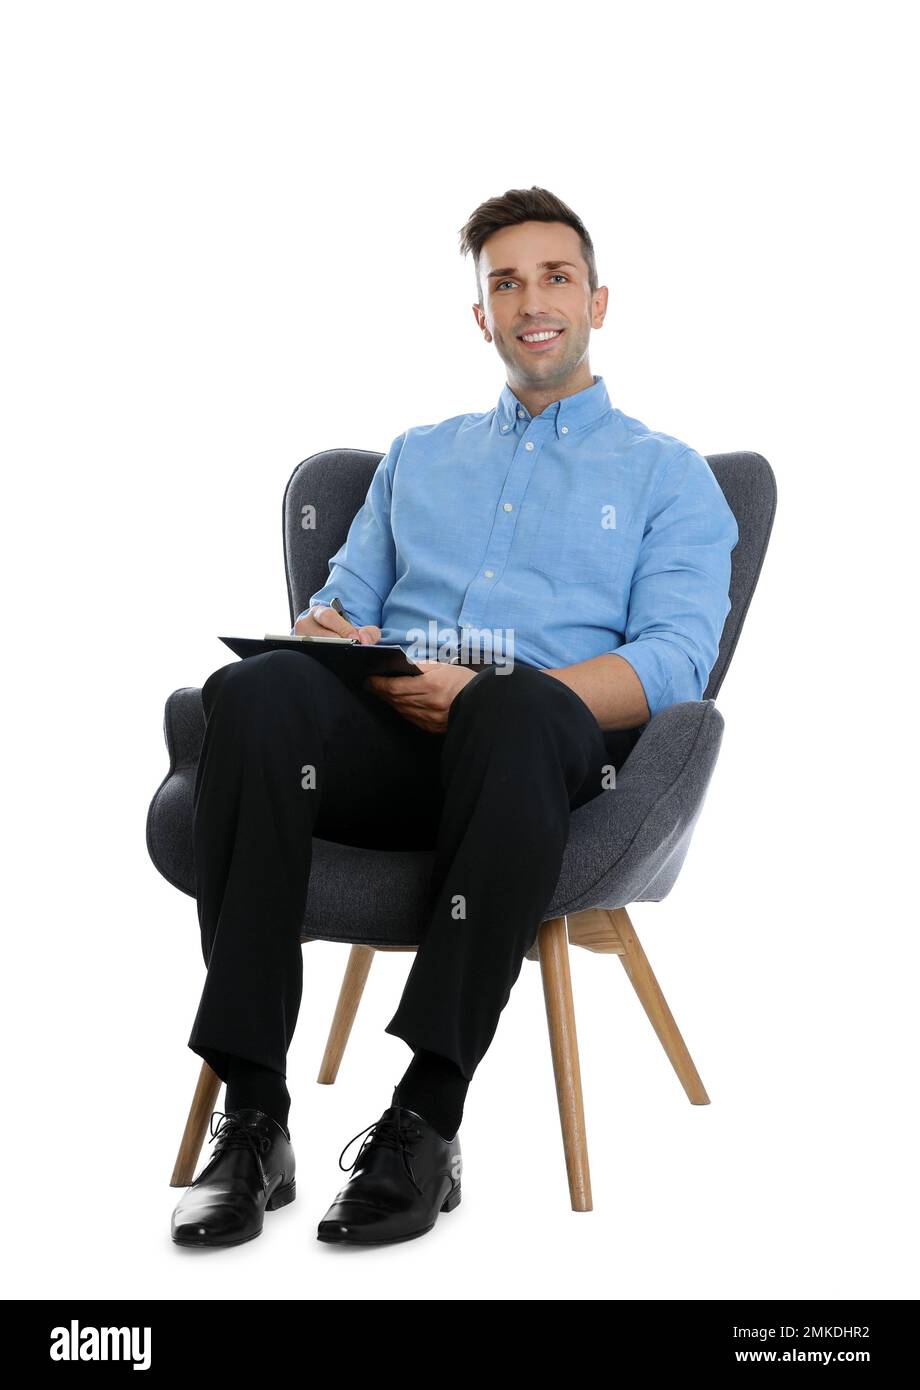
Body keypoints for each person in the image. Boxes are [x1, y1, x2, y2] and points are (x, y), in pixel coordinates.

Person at [170, 184, 739, 1250]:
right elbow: (344, 602)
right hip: (389, 739)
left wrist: (487, 692)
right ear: (481, 314)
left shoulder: (666, 476)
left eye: (554, 277)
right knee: (254, 692)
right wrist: (332, 637)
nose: (532, 301)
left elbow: (673, 660)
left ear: (596, 300)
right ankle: (253, 1113)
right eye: (505, 282)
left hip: (544, 755)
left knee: (514, 709)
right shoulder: (418, 456)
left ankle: (426, 1114)